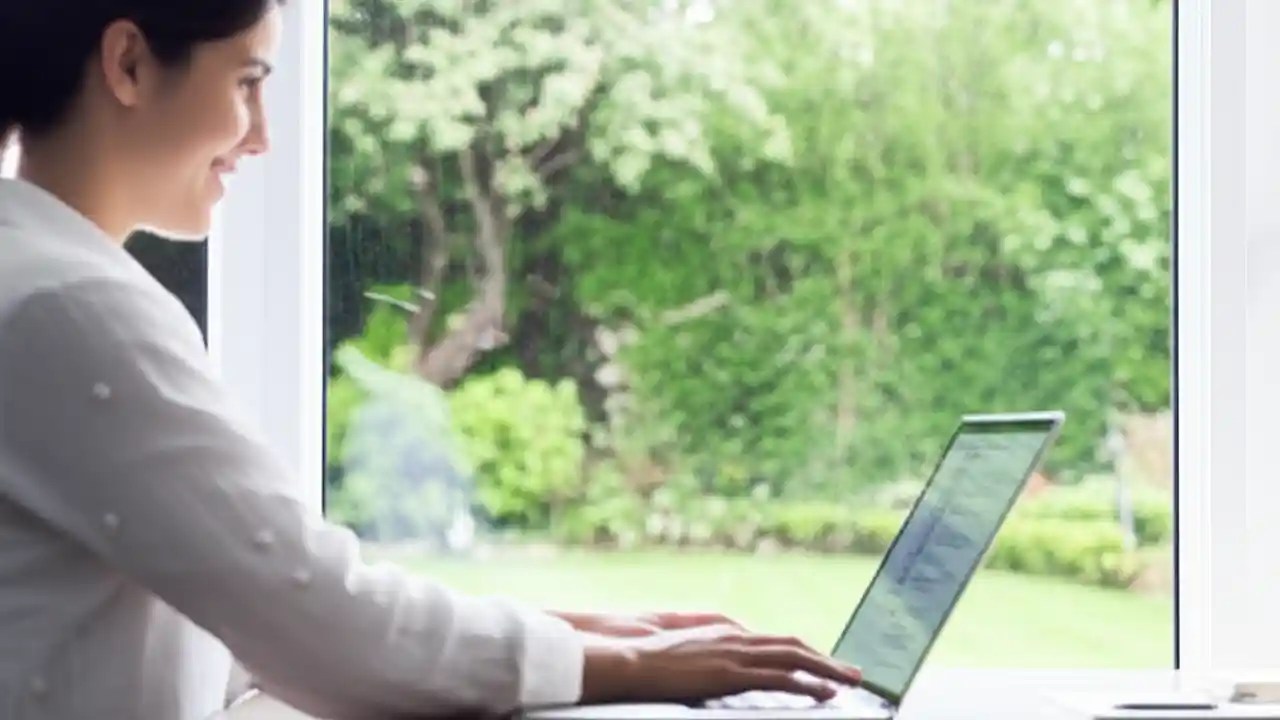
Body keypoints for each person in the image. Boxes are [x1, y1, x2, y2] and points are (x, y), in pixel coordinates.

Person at [0, 2, 862, 719]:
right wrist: (627, 666)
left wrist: (591, 632)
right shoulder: (69, 309)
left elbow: (253, 613)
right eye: (248, 82)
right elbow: (317, 624)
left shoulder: (38, 276)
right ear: (129, 64)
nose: (261, 136)